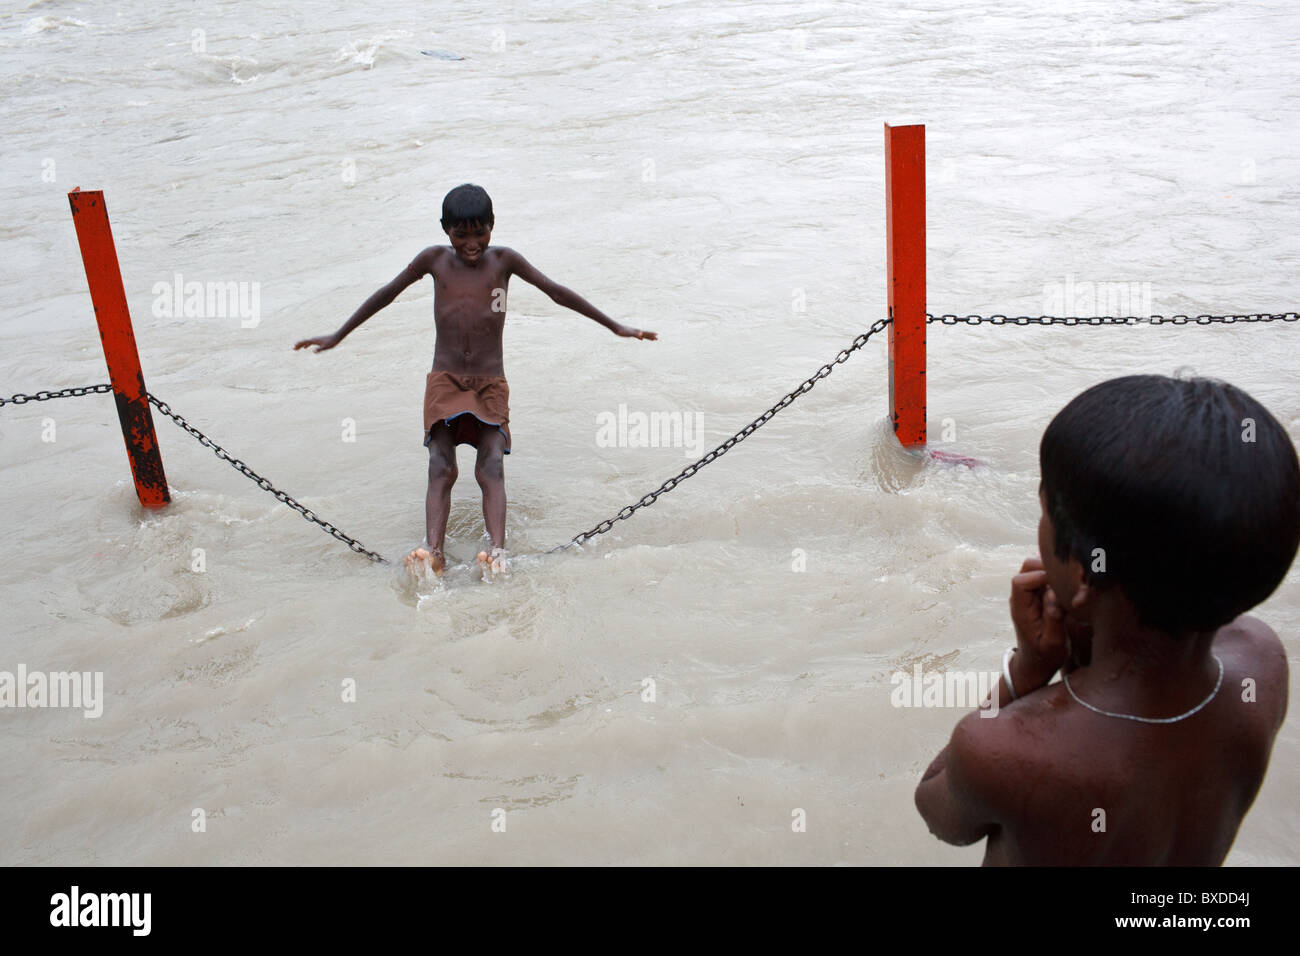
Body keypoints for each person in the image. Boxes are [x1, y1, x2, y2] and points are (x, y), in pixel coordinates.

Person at [915, 374, 1297, 864]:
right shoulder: (1262, 665)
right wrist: (1089, 641)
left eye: (1045, 511)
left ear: (1081, 573)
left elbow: (936, 808)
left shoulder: (1001, 750)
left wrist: (1029, 669)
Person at [294, 183, 656, 576]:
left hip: (489, 383)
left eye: (479, 232)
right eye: (461, 234)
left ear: (492, 225)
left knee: (492, 463)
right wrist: (338, 335)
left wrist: (615, 326)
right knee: (439, 463)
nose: (472, 243)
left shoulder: (504, 261)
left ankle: (496, 553)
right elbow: (386, 295)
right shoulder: (433, 261)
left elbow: (556, 293)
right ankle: (434, 552)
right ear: (445, 230)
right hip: (445, 380)